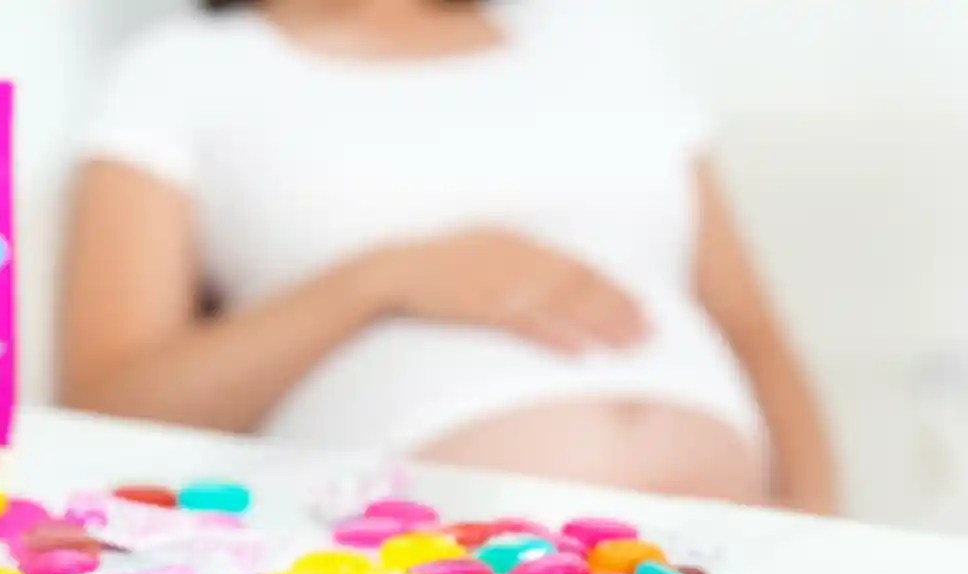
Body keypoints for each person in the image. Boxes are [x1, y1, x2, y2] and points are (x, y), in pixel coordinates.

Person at [60, 0, 837, 514]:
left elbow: (752, 330)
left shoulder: (604, 43)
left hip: (730, 551)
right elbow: (109, 405)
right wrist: (381, 281)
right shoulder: (178, 72)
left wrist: (821, 533)